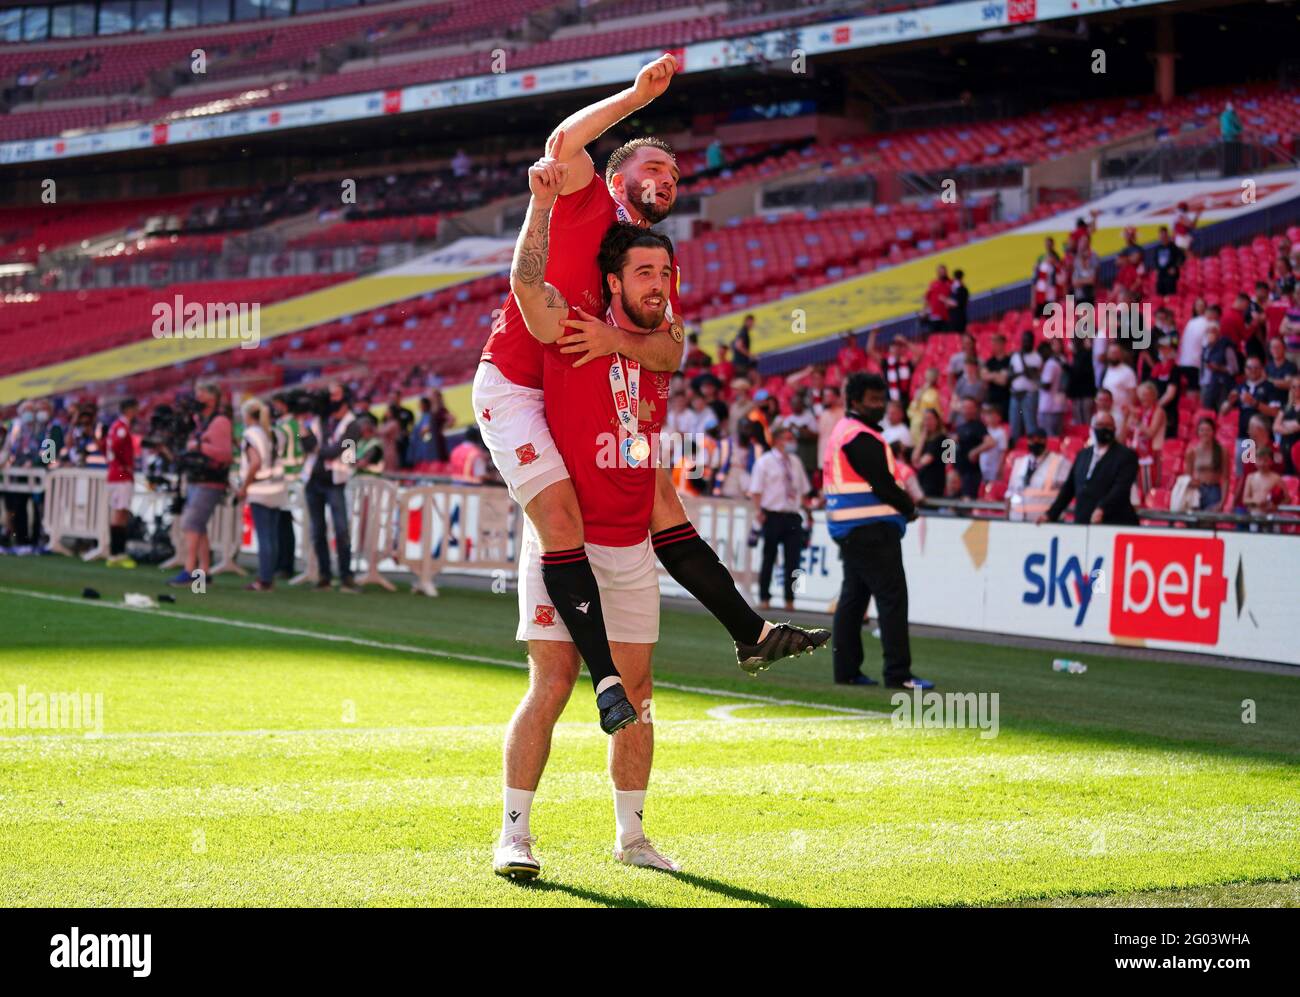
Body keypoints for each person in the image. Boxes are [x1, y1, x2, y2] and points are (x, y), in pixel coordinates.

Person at [473, 58, 825, 739]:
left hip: (585, 386)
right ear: (617, 177)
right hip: (519, 381)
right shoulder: (588, 199)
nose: (667, 178)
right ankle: (604, 677)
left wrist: (615, 339)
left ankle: (750, 631)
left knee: (661, 497)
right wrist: (636, 98)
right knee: (561, 516)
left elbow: (671, 349)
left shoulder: (652, 256)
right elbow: (562, 145)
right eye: (655, 167)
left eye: (675, 175)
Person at [495, 220, 682, 882]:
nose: (656, 285)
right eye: (643, 273)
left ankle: (632, 836)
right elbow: (524, 282)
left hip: (626, 540)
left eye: (664, 276)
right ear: (610, 278)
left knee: (639, 690)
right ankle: (513, 835)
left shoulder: (657, 338)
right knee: (552, 681)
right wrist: (542, 201)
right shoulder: (565, 317)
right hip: (565, 539)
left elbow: (672, 353)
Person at [824, 373, 932, 690]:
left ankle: (846, 670)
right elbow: (883, 483)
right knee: (892, 598)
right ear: (854, 401)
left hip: (850, 527)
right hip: (871, 529)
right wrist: (908, 507)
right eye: (872, 400)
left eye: (882, 399)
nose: (880, 405)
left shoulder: (844, 432)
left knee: (854, 599)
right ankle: (898, 673)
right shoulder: (860, 435)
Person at [168, 382, 233, 586]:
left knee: (191, 523)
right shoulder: (201, 421)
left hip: (210, 480)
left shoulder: (220, 421)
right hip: (198, 479)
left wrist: (199, 446)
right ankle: (203, 571)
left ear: (212, 397)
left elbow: (225, 454)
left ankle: (191, 569)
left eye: (201, 393)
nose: (197, 397)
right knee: (198, 526)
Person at [301, 383, 360, 593]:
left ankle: (346, 576)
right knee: (317, 531)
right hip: (313, 480)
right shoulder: (320, 420)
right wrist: (311, 440)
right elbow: (304, 442)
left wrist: (317, 448)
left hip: (336, 482)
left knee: (341, 530)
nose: (330, 399)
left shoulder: (352, 423)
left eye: (335, 395)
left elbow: (339, 451)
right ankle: (324, 576)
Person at [749, 426, 812, 612]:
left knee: (794, 560)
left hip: (792, 515)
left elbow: (803, 490)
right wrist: (759, 511)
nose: (791, 442)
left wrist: (807, 511)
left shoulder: (795, 461)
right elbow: (756, 490)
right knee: (769, 557)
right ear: (777, 440)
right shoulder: (765, 462)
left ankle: (790, 599)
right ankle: (764, 597)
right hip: (772, 515)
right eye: (787, 438)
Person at [1038, 411, 1139, 525]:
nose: (1104, 429)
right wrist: (1050, 514)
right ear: (1093, 428)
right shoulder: (1083, 455)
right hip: (1083, 521)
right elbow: (1069, 488)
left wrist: (1102, 508)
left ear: (1114, 428)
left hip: (1113, 522)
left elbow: (1121, 488)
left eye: (1108, 425)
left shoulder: (1126, 455)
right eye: (1100, 425)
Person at [237, 397, 287, 592]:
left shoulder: (252, 434)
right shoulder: (274, 432)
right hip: (277, 487)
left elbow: (255, 462)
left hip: (261, 489)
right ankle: (269, 576)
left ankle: (264, 579)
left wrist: (244, 486)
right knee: (272, 536)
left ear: (248, 415)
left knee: (265, 536)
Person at [1006, 428, 1069, 522]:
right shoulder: (1019, 462)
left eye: (1039, 439)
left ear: (1045, 440)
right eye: (1031, 439)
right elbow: (1010, 493)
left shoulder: (1060, 461)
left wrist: (1052, 515)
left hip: (1046, 521)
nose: (1035, 442)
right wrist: (1007, 518)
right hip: (1017, 520)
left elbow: (1066, 492)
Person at [104, 398, 138, 568]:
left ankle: (117, 552)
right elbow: (117, 447)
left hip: (115, 474)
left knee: (120, 512)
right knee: (120, 512)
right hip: (121, 475)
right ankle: (116, 553)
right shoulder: (122, 428)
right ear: (129, 410)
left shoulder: (115, 426)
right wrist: (125, 464)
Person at [1127, 381, 1166, 497]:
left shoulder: (1158, 411)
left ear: (1154, 395)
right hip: (1136, 453)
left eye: (1146, 394)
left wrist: (1137, 422)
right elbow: (1129, 431)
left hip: (1152, 455)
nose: (1143, 397)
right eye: (1141, 394)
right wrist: (1128, 417)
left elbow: (1150, 433)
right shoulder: (1139, 411)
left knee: (1147, 490)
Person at [1182, 417, 1227, 512]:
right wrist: (1192, 483)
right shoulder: (1192, 451)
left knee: (1209, 521)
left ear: (1213, 432)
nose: (1205, 433)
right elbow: (1187, 476)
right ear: (1198, 432)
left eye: (1208, 430)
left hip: (1214, 490)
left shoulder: (1221, 451)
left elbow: (1225, 477)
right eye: (1202, 430)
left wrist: (1222, 502)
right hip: (1198, 490)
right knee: (1195, 523)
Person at [1007, 329, 1041, 440]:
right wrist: (1018, 373)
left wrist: (1022, 359)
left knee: (1030, 425)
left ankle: (1032, 448)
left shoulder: (1037, 357)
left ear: (1032, 341)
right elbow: (1010, 374)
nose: (1025, 343)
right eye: (1023, 341)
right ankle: (1016, 450)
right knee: (1014, 425)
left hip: (1029, 395)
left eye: (1027, 341)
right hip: (1015, 395)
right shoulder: (1014, 356)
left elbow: (1031, 375)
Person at [953, 396, 987, 499]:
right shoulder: (960, 426)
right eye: (964, 407)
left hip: (971, 473)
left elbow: (990, 442)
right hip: (958, 472)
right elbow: (949, 447)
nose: (967, 410)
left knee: (968, 499)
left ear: (975, 409)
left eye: (969, 407)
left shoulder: (978, 426)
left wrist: (975, 451)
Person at [911, 408, 948, 499]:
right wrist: (923, 437)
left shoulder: (941, 438)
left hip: (933, 483)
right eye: (925, 419)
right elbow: (914, 459)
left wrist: (917, 462)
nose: (928, 422)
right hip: (922, 481)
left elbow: (923, 461)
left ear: (937, 421)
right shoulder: (924, 440)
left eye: (930, 419)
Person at [1151, 227, 1185, 297]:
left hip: (1171, 276)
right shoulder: (1157, 248)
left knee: (1170, 295)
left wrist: (1175, 267)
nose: (1163, 238)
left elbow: (1182, 258)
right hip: (1161, 275)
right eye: (1161, 236)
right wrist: (1156, 268)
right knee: (1159, 295)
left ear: (1167, 236)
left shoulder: (1173, 247)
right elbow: (1155, 260)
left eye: (1164, 236)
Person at [1220, 100, 1243, 176]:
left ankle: (1232, 171)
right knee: (1232, 156)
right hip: (1230, 139)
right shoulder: (1228, 115)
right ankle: (1232, 172)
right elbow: (1229, 128)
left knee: (1232, 156)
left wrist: (1239, 130)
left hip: (1231, 139)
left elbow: (1237, 125)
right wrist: (1238, 131)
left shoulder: (1229, 115)